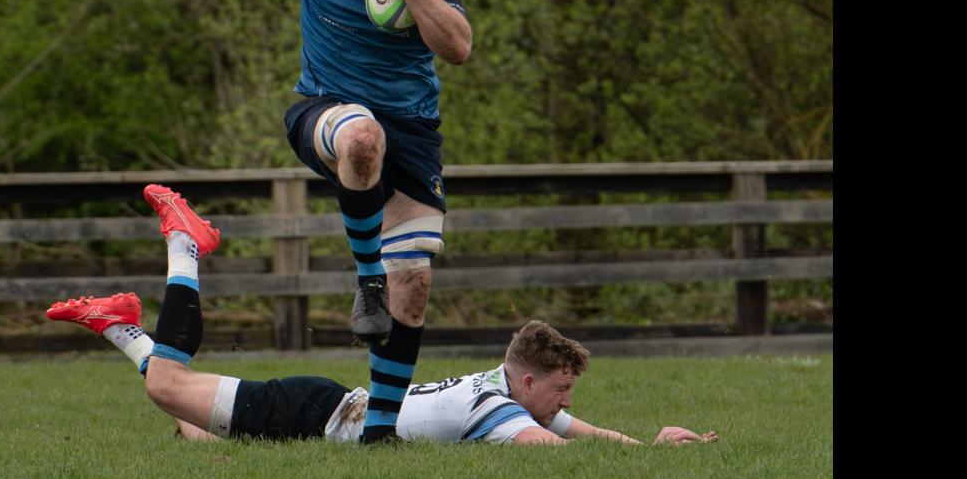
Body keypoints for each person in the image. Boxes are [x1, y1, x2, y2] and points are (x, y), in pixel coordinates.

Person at [62, 0, 471, 442]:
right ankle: (366, 279)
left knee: (414, 281)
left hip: (413, 131)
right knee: (361, 136)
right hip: (324, 110)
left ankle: (380, 436)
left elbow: (457, 48)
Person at [47, 185, 717, 446]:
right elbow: (567, 458)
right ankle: (183, 242)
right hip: (319, 413)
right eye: (564, 388)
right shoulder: (502, 414)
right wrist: (655, 453)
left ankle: (119, 325)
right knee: (171, 388)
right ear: (531, 381)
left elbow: (589, 434)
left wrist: (645, 443)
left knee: (196, 433)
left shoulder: (508, 390)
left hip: (326, 414)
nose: (569, 401)